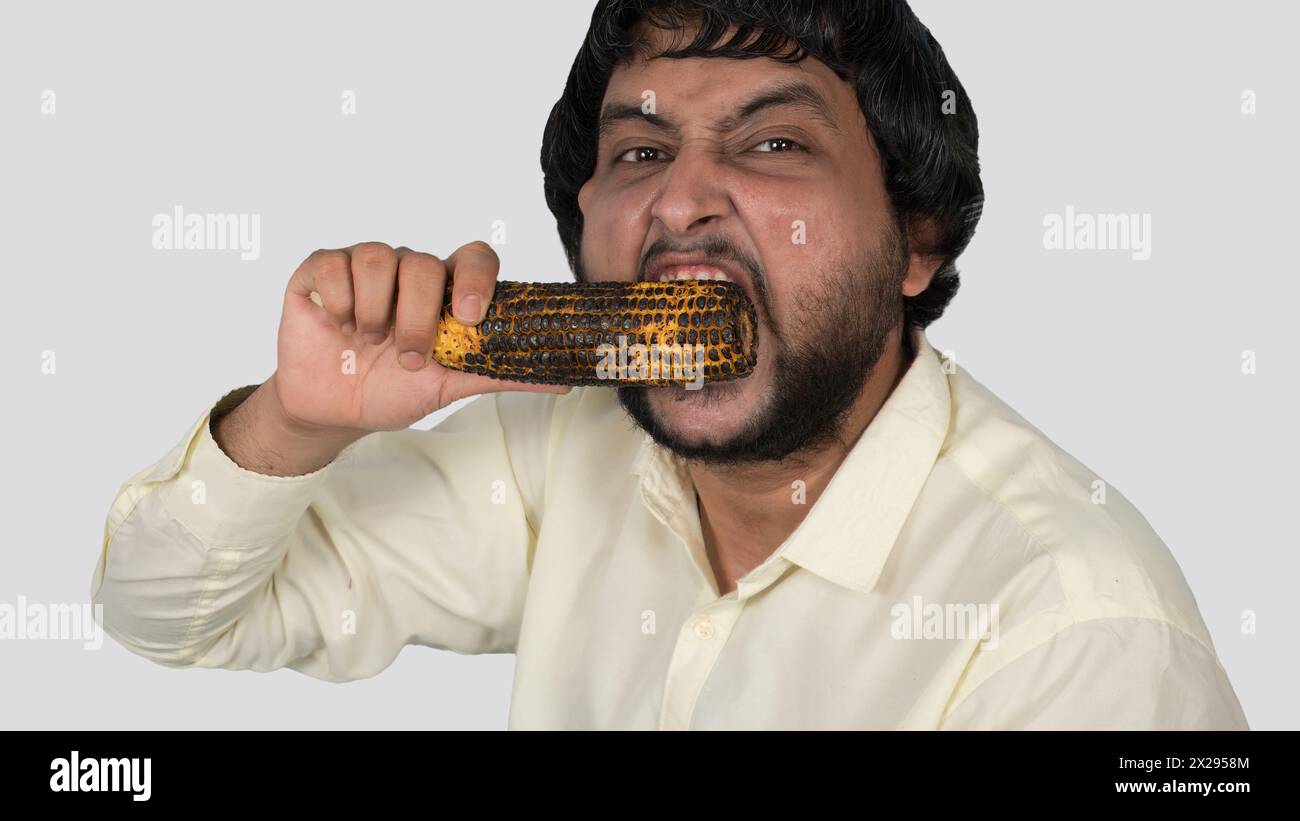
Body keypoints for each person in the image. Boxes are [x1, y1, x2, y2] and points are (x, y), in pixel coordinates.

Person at [90, 0, 1248, 729]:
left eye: (772, 143)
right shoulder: (555, 452)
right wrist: (298, 421)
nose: (681, 198)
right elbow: (169, 617)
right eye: (639, 149)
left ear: (915, 241)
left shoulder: (1075, 637)